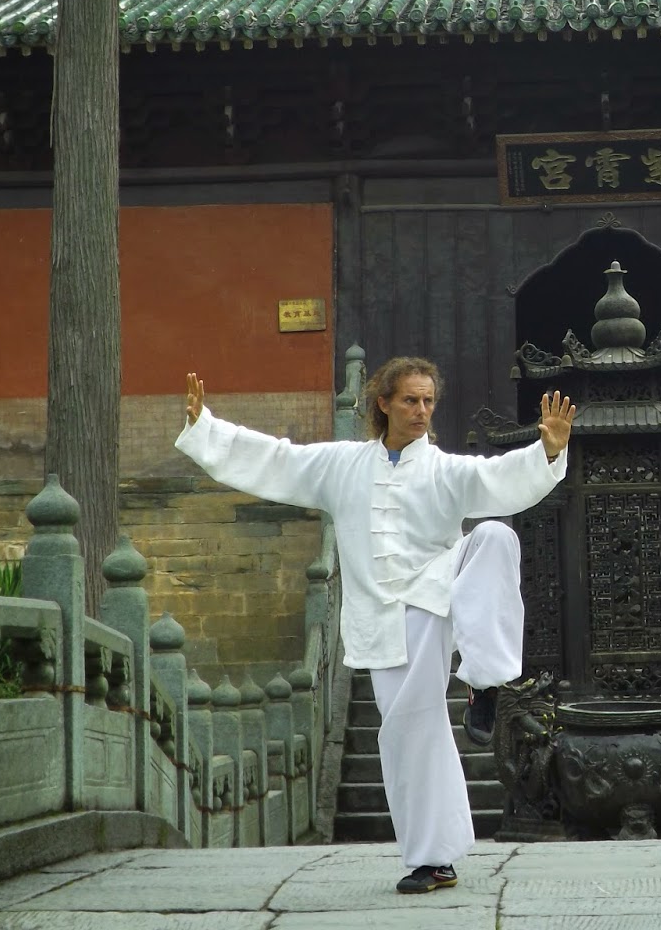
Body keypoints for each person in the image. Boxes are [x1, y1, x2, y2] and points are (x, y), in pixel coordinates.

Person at [176, 359, 574, 894]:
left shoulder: (445, 469)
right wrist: (208, 429)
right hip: (380, 619)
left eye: (429, 401)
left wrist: (546, 451)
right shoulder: (341, 466)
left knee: (496, 538)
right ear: (383, 402)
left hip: (436, 593)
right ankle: (435, 860)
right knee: (411, 730)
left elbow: (496, 478)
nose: (421, 411)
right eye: (410, 400)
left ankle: (485, 679)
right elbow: (278, 460)